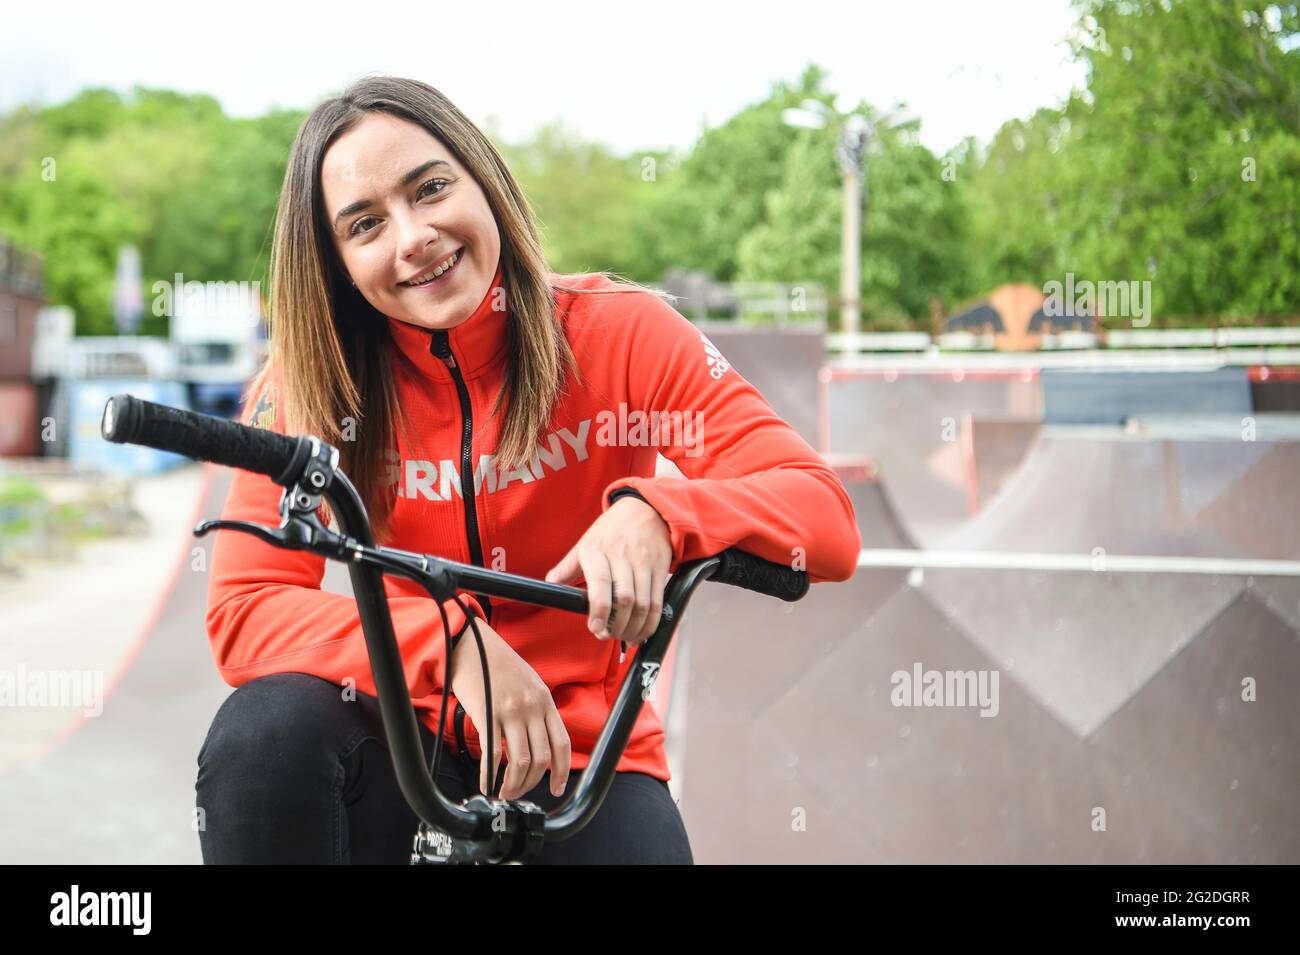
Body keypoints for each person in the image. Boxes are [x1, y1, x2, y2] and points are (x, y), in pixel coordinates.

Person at [195, 75, 861, 864]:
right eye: (366, 224)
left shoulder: (623, 333)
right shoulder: (311, 382)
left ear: (486, 181)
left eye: (431, 187)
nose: (413, 237)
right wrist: (448, 648)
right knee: (264, 736)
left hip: (586, 763)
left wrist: (664, 512)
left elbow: (824, 516)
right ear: (336, 264)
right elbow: (246, 607)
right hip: (405, 738)